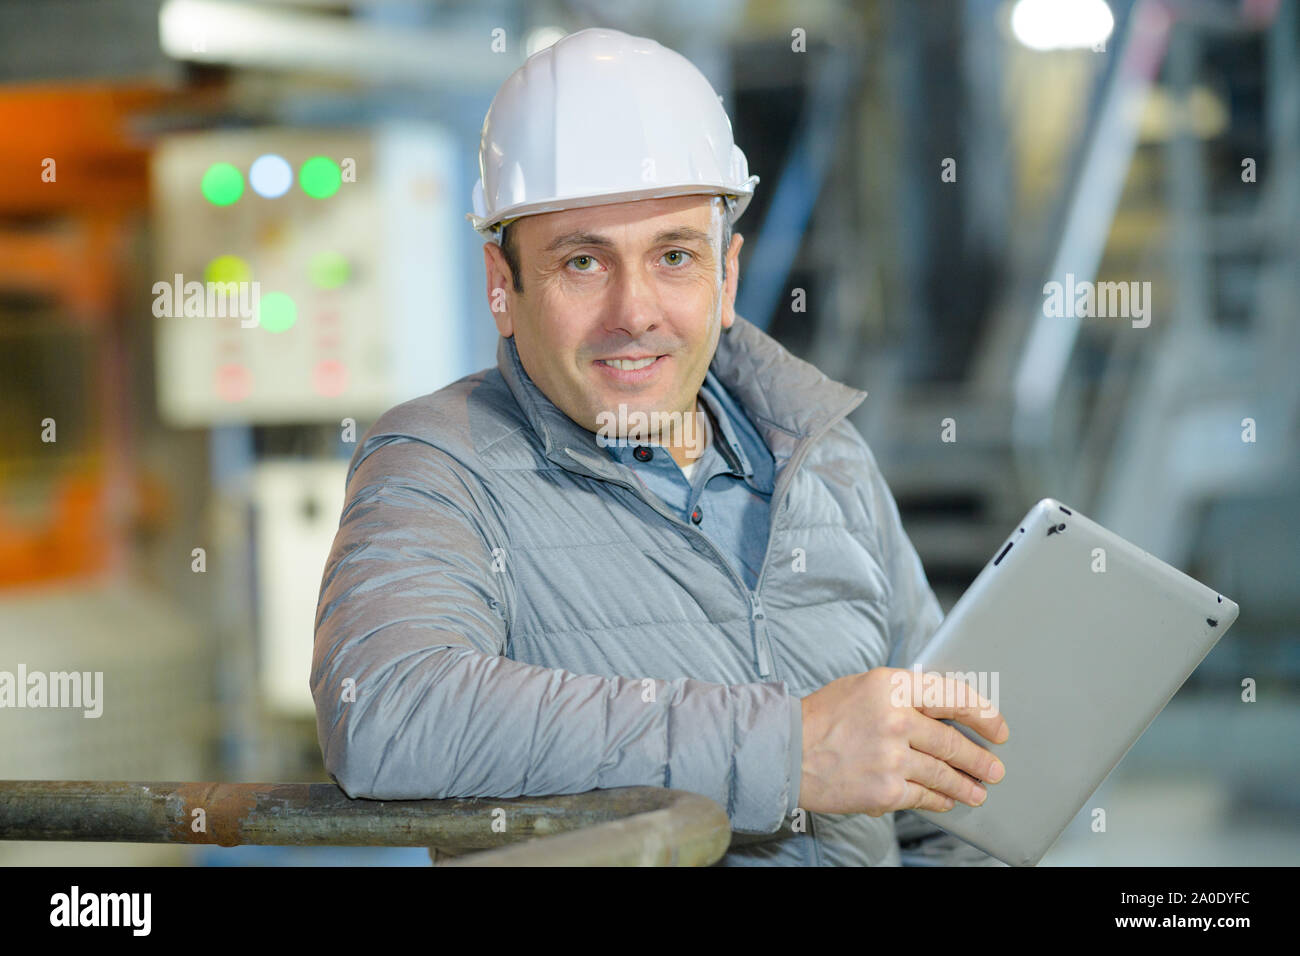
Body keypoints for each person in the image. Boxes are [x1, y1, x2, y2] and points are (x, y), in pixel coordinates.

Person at [311, 26, 1008, 866]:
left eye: (674, 255)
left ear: (727, 278)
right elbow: (390, 712)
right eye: (582, 263)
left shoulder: (827, 459)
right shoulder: (440, 465)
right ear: (503, 283)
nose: (634, 311)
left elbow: (942, 792)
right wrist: (789, 751)